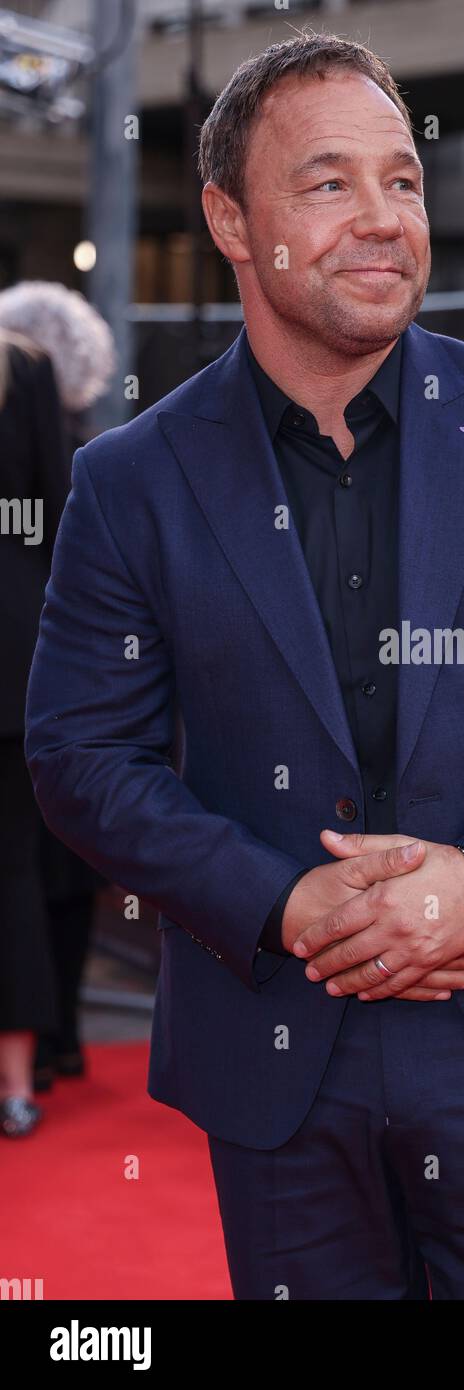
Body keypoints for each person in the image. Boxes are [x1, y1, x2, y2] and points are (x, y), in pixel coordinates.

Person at [26, 33, 464, 1298]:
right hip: (279, 1049)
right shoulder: (132, 479)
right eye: (329, 182)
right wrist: (281, 904)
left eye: (401, 181)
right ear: (232, 220)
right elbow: (79, 753)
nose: (384, 220)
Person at [0, 328, 68, 1136]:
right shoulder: (26, 365)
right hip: (15, 642)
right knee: (15, 870)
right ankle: (16, 1081)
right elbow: (55, 514)